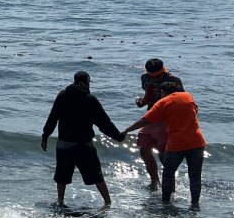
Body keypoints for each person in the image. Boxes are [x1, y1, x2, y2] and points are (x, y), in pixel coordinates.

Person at [41, 70, 126, 208]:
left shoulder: (62, 95)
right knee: (96, 175)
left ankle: (60, 201)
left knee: (62, 175)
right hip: (84, 144)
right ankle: (108, 203)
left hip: (65, 143)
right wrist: (118, 136)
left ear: (74, 81)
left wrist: (45, 136)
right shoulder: (90, 99)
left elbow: (52, 118)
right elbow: (104, 122)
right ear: (87, 82)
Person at [125, 80, 205, 210]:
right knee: (195, 176)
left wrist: (127, 130)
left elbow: (145, 120)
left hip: (176, 144)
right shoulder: (188, 95)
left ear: (163, 92)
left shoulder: (162, 102)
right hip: (197, 142)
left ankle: (166, 204)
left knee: (168, 174)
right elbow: (195, 109)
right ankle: (195, 205)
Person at [134, 58, 183, 191]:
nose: (155, 80)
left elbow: (182, 100)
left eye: (158, 77)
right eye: (152, 77)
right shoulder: (144, 78)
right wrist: (142, 102)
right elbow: (148, 95)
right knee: (144, 150)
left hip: (167, 119)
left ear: (163, 71)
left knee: (164, 155)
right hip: (152, 117)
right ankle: (155, 182)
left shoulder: (174, 80)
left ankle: (170, 188)